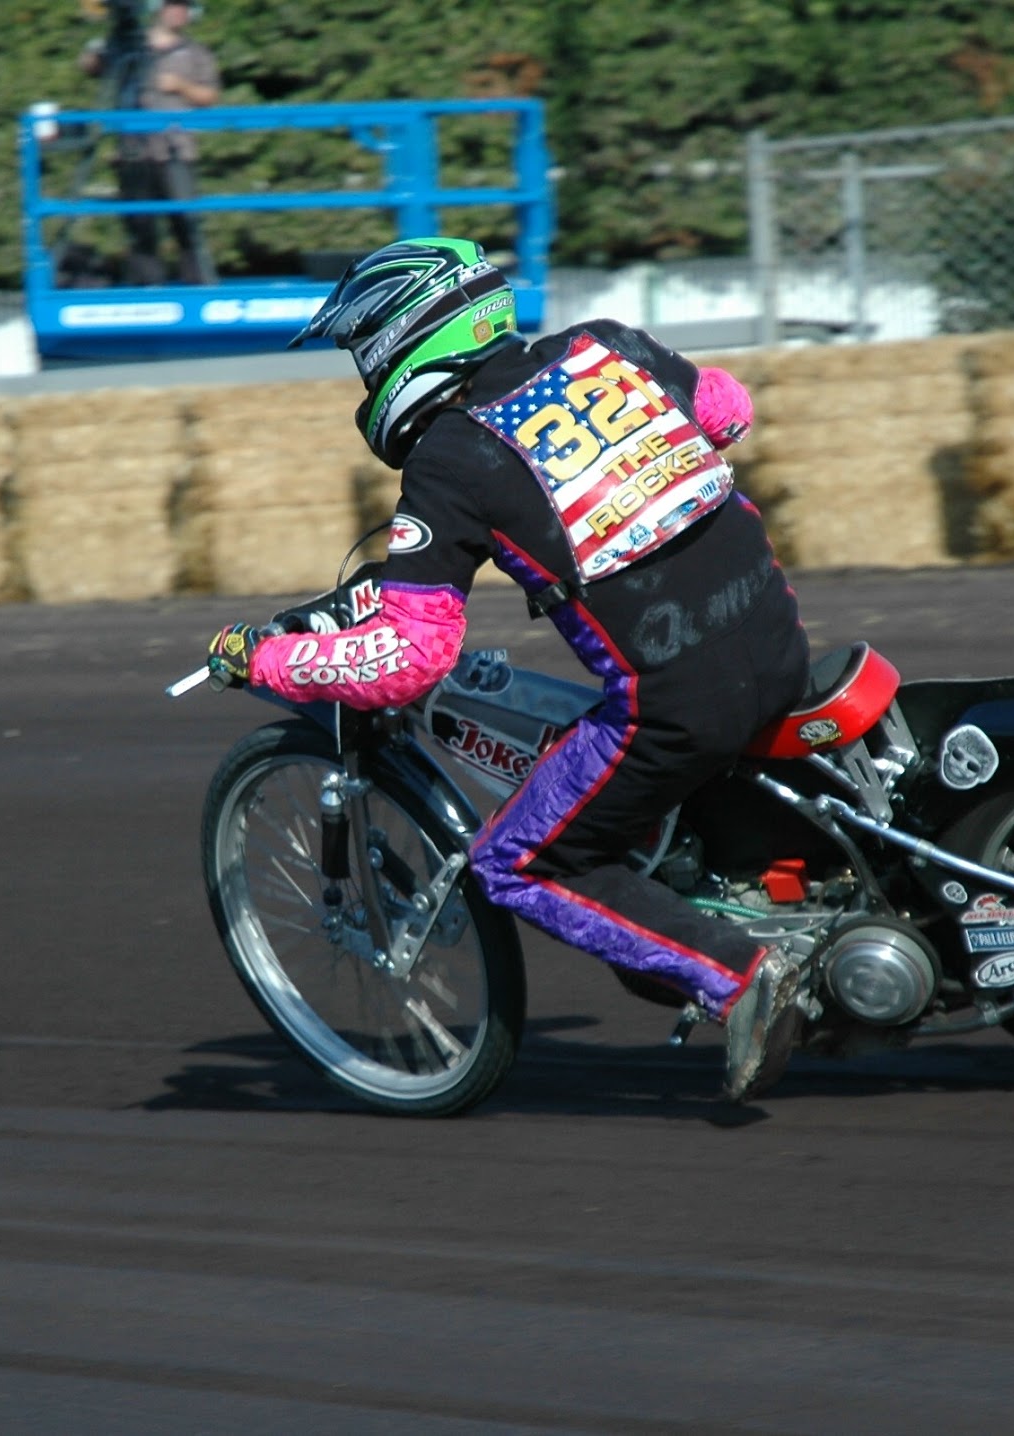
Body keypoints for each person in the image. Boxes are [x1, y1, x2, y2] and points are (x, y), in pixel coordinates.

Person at [204, 238, 813, 1101]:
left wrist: (263, 658)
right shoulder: (606, 347)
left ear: (396, 340)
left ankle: (742, 977)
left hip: (674, 703)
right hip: (776, 636)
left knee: (516, 861)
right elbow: (727, 409)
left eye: (359, 355)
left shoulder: (450, 458)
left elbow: (409, 659)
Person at [81, 0, 220, 285]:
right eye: (172, 5)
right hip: (133, 151)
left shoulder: (195, 53)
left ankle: (197, 286)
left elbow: (210, 96)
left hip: (177, 150)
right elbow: (90, 66)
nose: (177, 12)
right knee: (139, 226)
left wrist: (181, 86)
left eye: (183, 7)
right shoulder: (128, 47)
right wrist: (104, 38)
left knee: (186, 224)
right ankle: (147, 288)